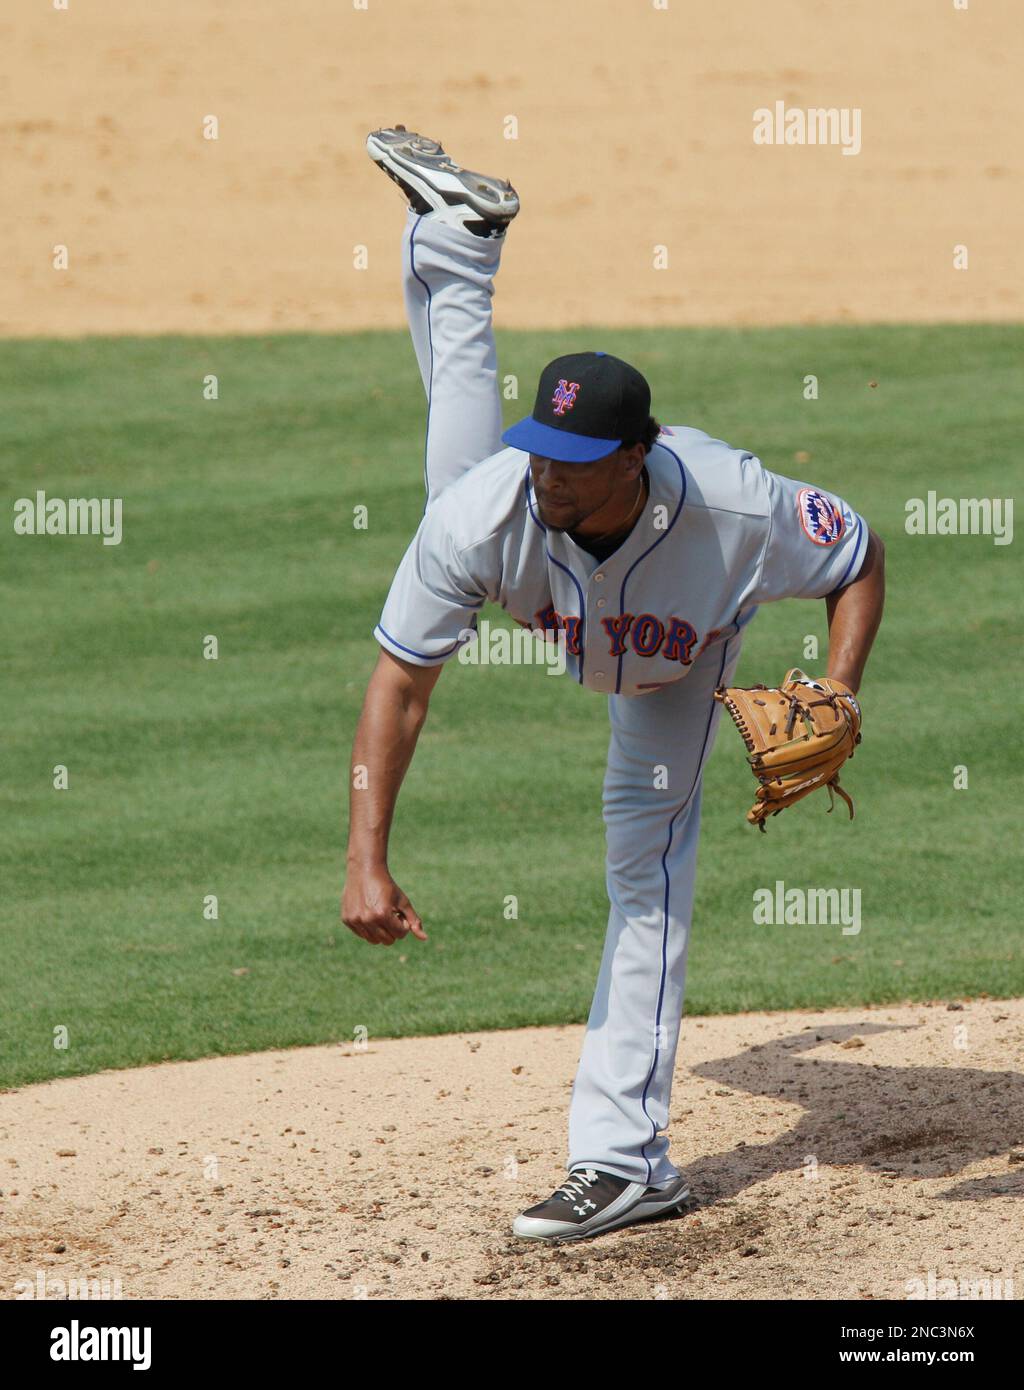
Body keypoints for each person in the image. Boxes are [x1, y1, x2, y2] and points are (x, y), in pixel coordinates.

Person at [342, 126, 886, 1244]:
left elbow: (859, 553)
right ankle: (455, 242)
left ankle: (623, 1159)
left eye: (567, 458)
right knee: (456, 488)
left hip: (679, 669)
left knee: (643, 865)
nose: (542, 469)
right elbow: (401, 680)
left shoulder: (736, 509)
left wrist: (839, 688)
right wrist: (366, 853)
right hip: (521, 570)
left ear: (632, 458)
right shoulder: (500, 504)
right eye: (535, 445)